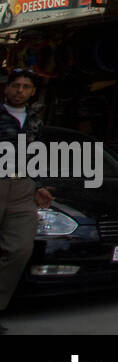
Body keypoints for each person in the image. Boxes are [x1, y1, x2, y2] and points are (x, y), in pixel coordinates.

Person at [1, 68, 54, 314]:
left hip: (22, 188)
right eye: (15, 85)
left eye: (25, 87)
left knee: (20, 249)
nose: (19, 91)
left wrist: (39, 185)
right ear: (6, 88)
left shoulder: (35, 120)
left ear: (32, 92)